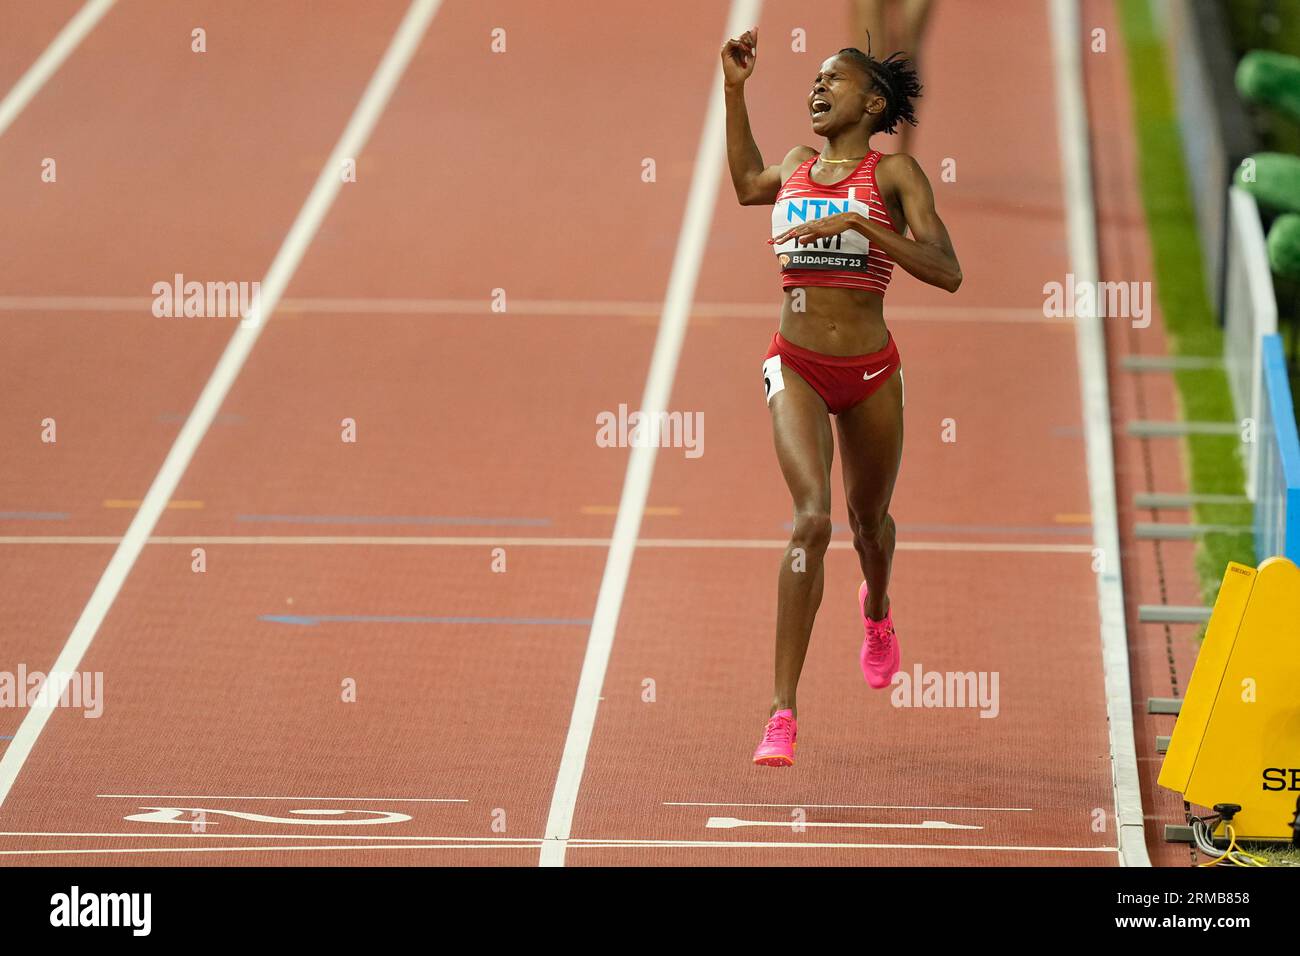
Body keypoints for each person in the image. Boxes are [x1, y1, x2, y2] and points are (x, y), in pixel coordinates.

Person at [719, 28, 962, 767]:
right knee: (812, 519)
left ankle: (878, 612)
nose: (817, 89)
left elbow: (948, 270)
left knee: (869, 525)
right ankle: (781, 711)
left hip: (871, 375)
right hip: (793, 363)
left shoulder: (895, 176)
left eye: (834, 79)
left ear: (873, 100)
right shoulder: (795, 165)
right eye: (814, 80)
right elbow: (744, 182)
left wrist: (861, 223)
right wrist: (735, 89)